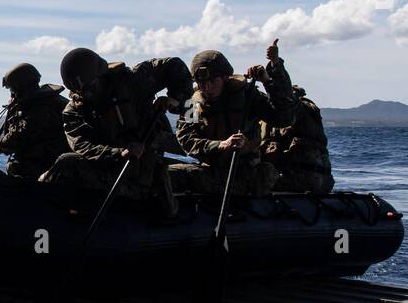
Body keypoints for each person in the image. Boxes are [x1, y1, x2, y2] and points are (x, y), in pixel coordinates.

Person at [40, 48, 191, 219]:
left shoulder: (133, 81)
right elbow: (81, 145)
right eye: (81, 91)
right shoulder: (75, 111)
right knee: (65, 163)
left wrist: (176, 99)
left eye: (91, 87)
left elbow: (176, 67)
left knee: (164, 204)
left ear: (102, 75)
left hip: (145, 174)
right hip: (113, 170)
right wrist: (120, 153)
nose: (87, 94)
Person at [170, 41, 297, 197]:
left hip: (245, 175)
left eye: (212, 82)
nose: (207, 88)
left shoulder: (246, 96)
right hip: (212, 171)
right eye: (202, 83)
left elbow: (284, 118)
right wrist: (220, 145)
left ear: (224, 78)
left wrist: (269, 79)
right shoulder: (193, 104)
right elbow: (186, 139)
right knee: (164, 175)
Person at [259, 41, 334, 193]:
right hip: (281, 178)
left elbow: (284, 99)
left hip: (304, 180)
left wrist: (274, 64)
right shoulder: (264, 114)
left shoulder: (299, 109)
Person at [0, 63, 69, 179]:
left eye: (12, 89)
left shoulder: (41, 107)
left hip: (47, 165)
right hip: (52, 161)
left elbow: (19, 136)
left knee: (14, 167)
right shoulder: (46, 101)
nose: (12, 93)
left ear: (19, 87)